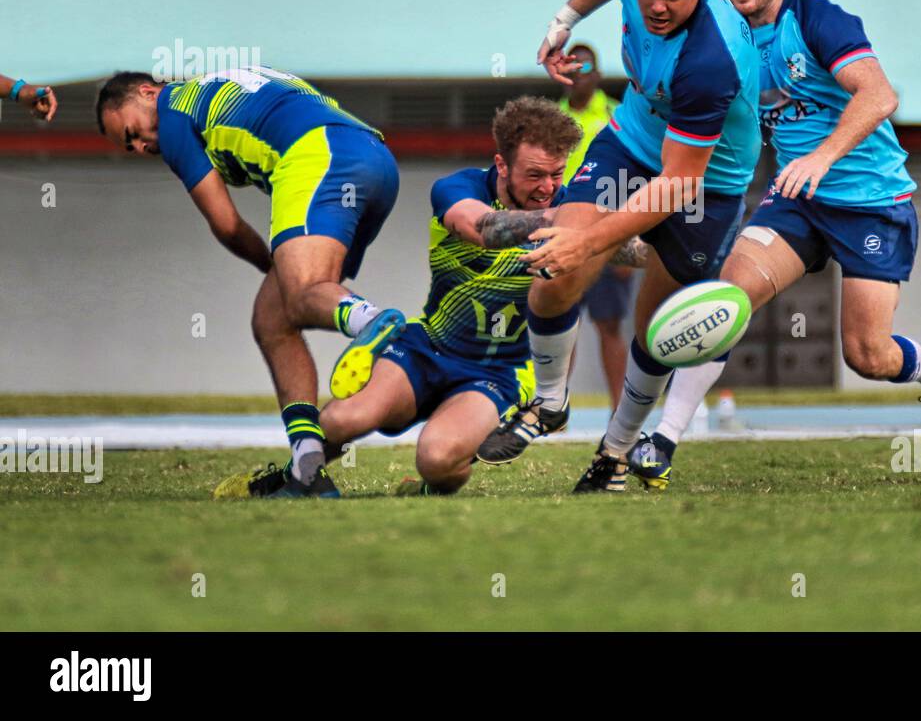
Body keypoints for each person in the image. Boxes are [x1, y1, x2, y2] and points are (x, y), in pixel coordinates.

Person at [632, 0, 921, 490]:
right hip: (796, 199)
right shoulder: (724, 33)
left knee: (866, 355)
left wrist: (822, 157)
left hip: (871, 201)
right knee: (726, 301)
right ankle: (662, 439)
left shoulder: (818, 20)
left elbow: (880, 94)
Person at [474, 0, 761, 494]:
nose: (656, 6)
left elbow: (678, 184)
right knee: (558, 267)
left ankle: (615, 454)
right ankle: (549, 405)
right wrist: (564, 20)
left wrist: (594, 239)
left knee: (653, 330)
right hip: (632, 138)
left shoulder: (710, 60)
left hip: (708, 185)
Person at [228, 97, 646, 497]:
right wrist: (573, 222)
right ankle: (298, 479)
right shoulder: (458, 187)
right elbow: (481, 228)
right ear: (501, 163)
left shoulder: (570, 205)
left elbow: (628, 249)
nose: (548, 187)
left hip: (499, 373)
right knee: (339, 421)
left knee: (437, 459)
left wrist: (664, 240)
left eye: (557, 175)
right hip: (428, 347)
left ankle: (429, 487)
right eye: (535, 175)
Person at [96, 65, 406, 498]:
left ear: (148, 92)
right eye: (129, 147)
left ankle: (372, 323)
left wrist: (275, 266)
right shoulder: (214, 87)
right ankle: (307, 469)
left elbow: (225, 225)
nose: (139, 146)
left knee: (300, 295)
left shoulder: (172, 112)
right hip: (374, 159)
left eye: (131, 133)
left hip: (320, 156)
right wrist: (284, 275)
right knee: (272, 321)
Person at [557, 42, 637, 411]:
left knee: (609, 326)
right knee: (561, 323)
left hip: (607, 235)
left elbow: (634, 177)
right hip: (562, 232)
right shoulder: (553, 118)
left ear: (599, 75)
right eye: (573, 68)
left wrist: (625, 236)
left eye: (586, 68)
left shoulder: (615, 113)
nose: (579, 75)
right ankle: (554, 408)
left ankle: (620, 412)